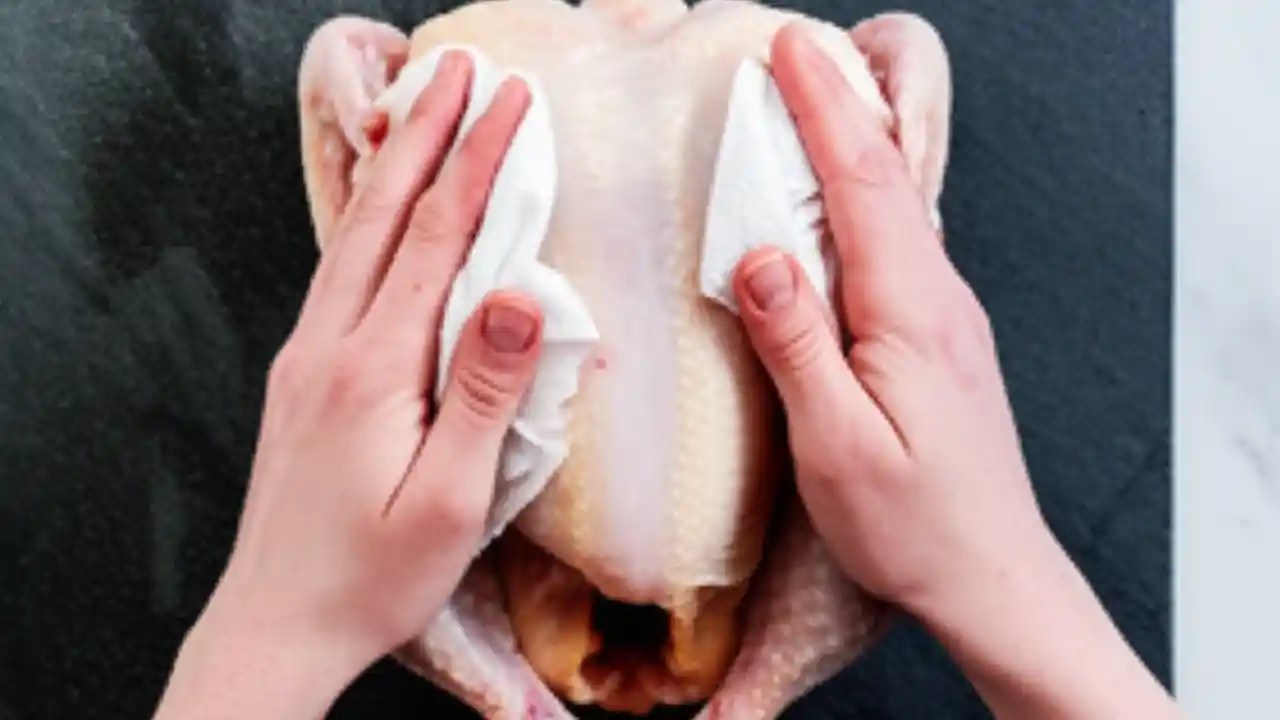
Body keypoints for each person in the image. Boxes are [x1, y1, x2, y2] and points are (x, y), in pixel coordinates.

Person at [153, 25, 1179, 720]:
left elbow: (348, 61)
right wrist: (1004, 577)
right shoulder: (805, 48)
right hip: (558, 568)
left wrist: (275, 631)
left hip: (584, 566)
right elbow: (905, 58)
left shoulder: (461, 41)